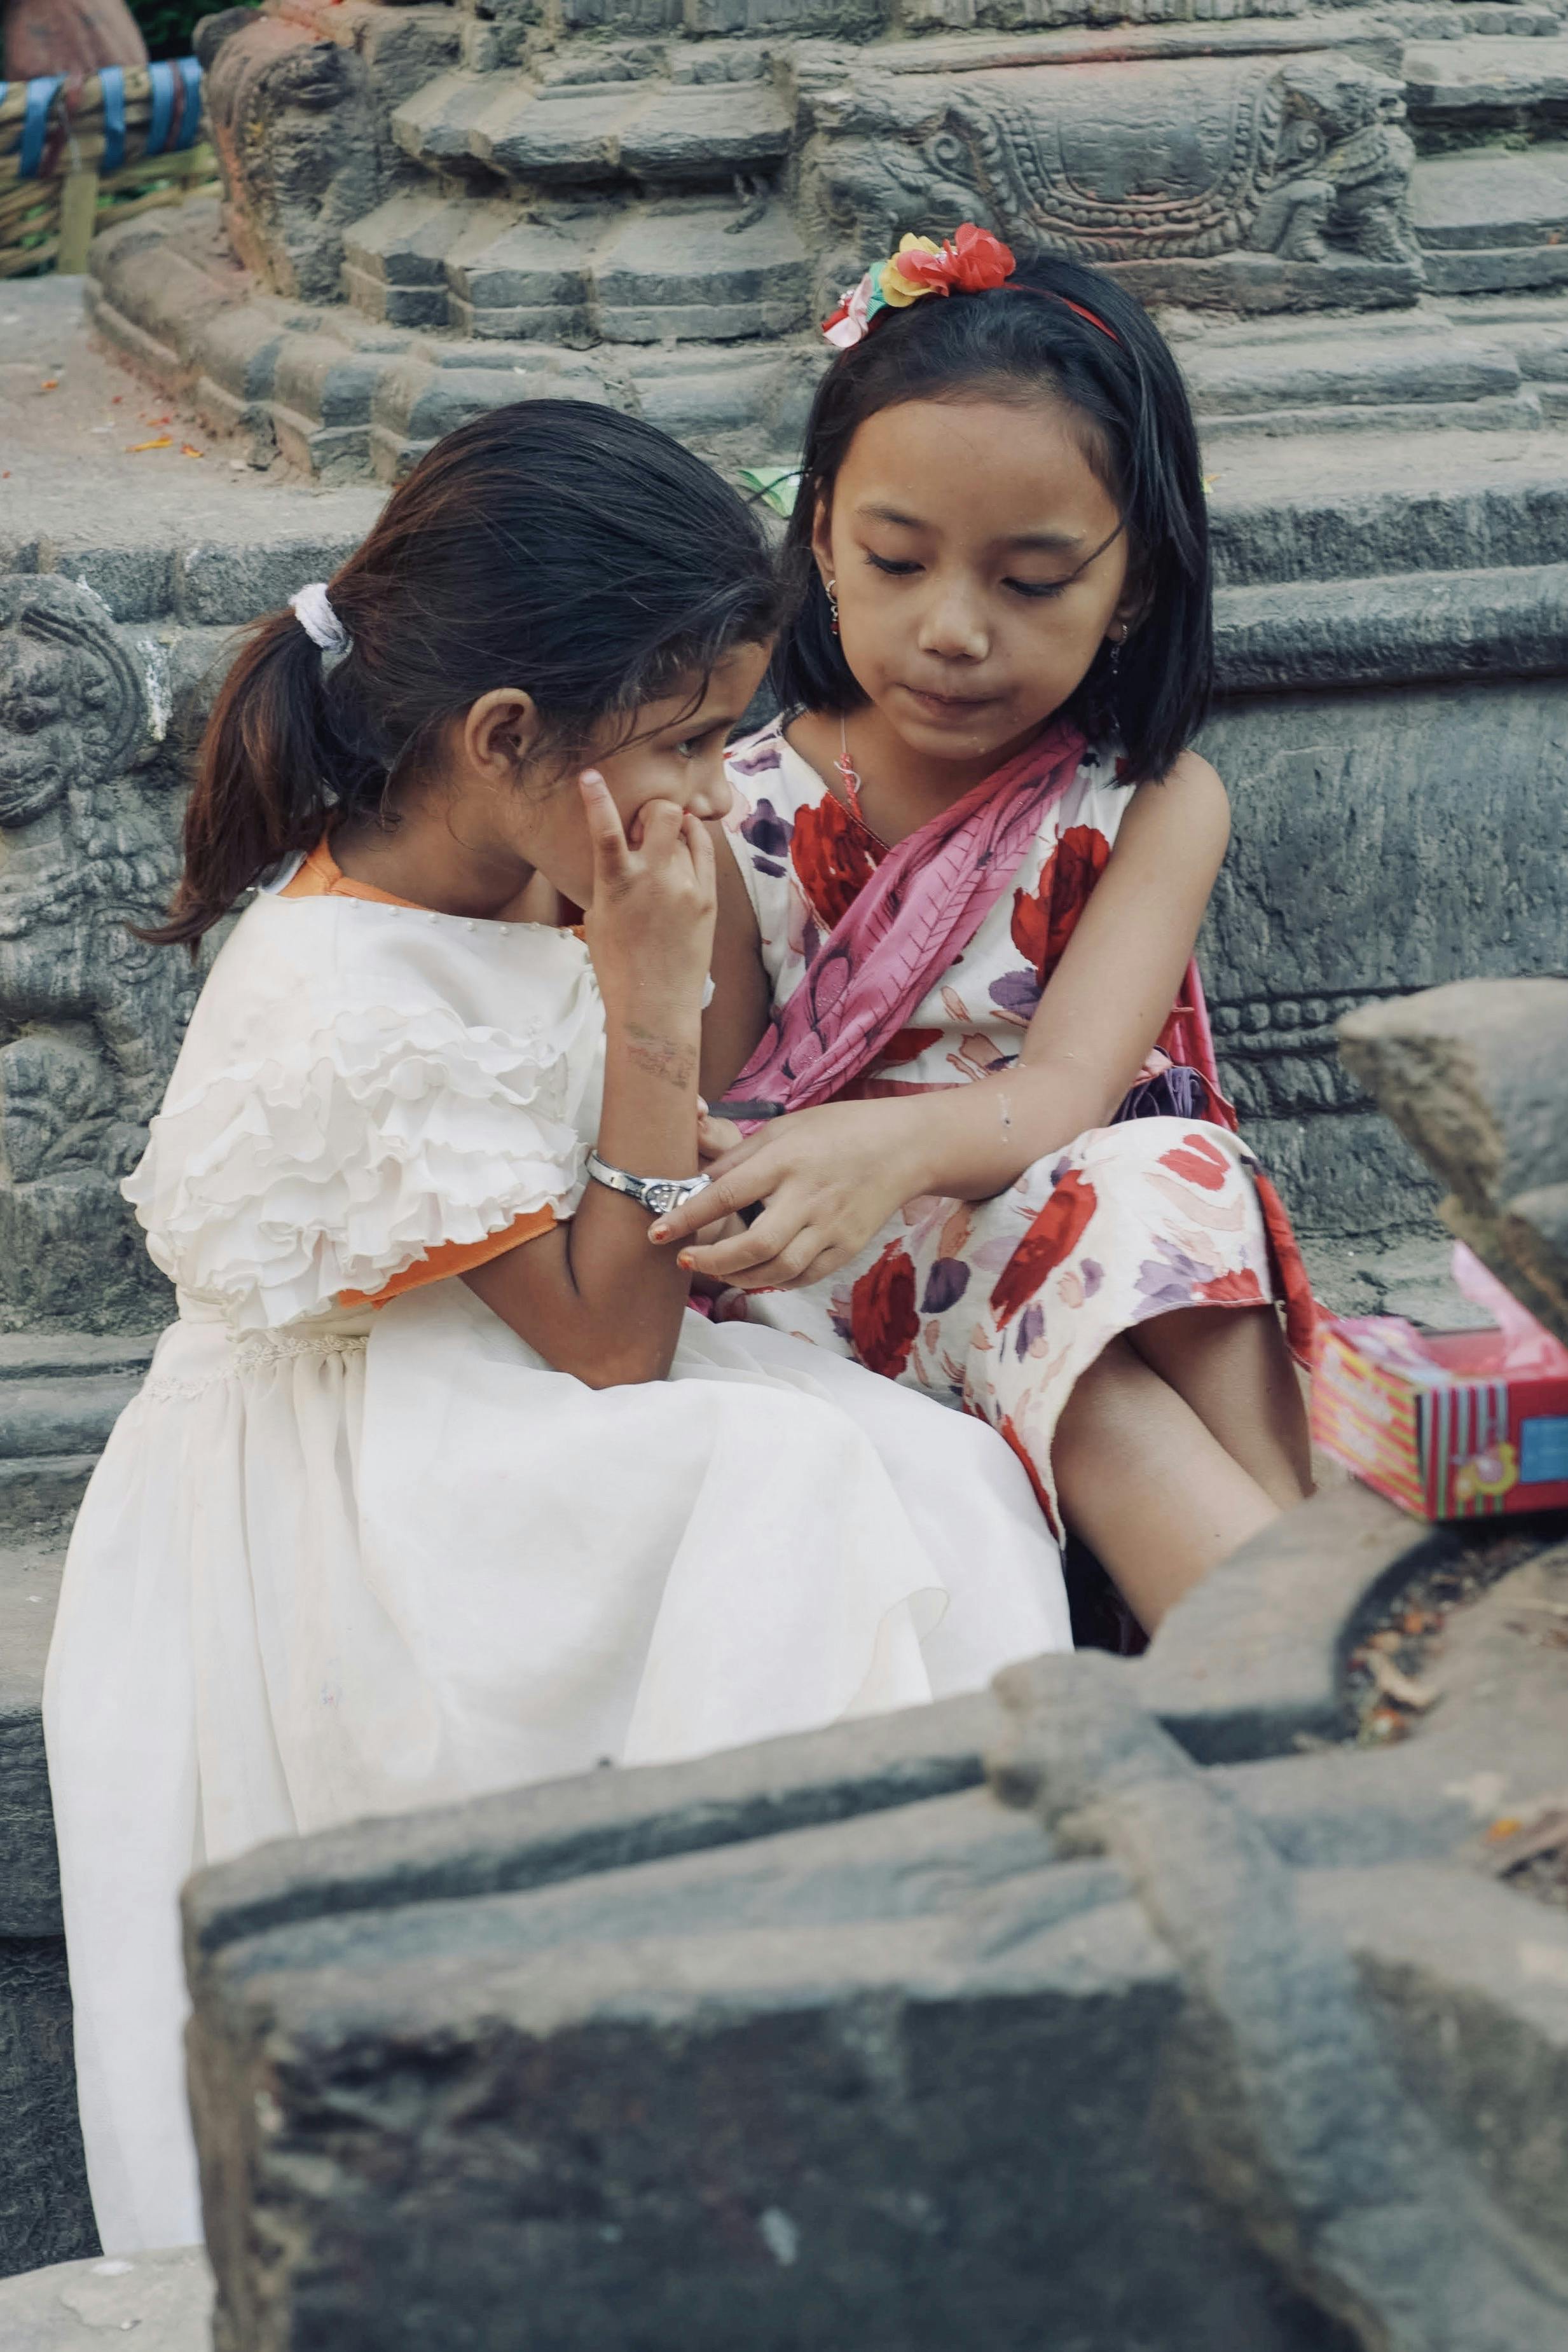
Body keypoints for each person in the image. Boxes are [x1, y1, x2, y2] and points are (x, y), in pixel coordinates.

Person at [43, 401, 1071, 2257]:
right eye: (685, 739)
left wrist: (708, 1137)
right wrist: (656, 1010)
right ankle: (751, 2105)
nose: (713, 780)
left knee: (916, 1468)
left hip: (521, 1382)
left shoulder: (527, 864)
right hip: (361, 1502)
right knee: (781, 1492)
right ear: (508, 738)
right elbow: (612, 1347)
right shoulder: (342, 995)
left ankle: (898, 2051)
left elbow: (625, 1236)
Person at [650, 228, 1318, 1639]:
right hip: (828, 1267)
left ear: (1132, 581)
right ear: (824, 532)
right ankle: (1307, 1643)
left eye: (1030, 583)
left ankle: (1288, 1582)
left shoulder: (1148, 805)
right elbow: (712, 1115)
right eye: (898, 560)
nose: (953, 631)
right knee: (1082, 1271)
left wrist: (903, 1145)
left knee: (1159, 1163)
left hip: (1072, 1217)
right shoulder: (732, 803)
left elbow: (1073, 1092)